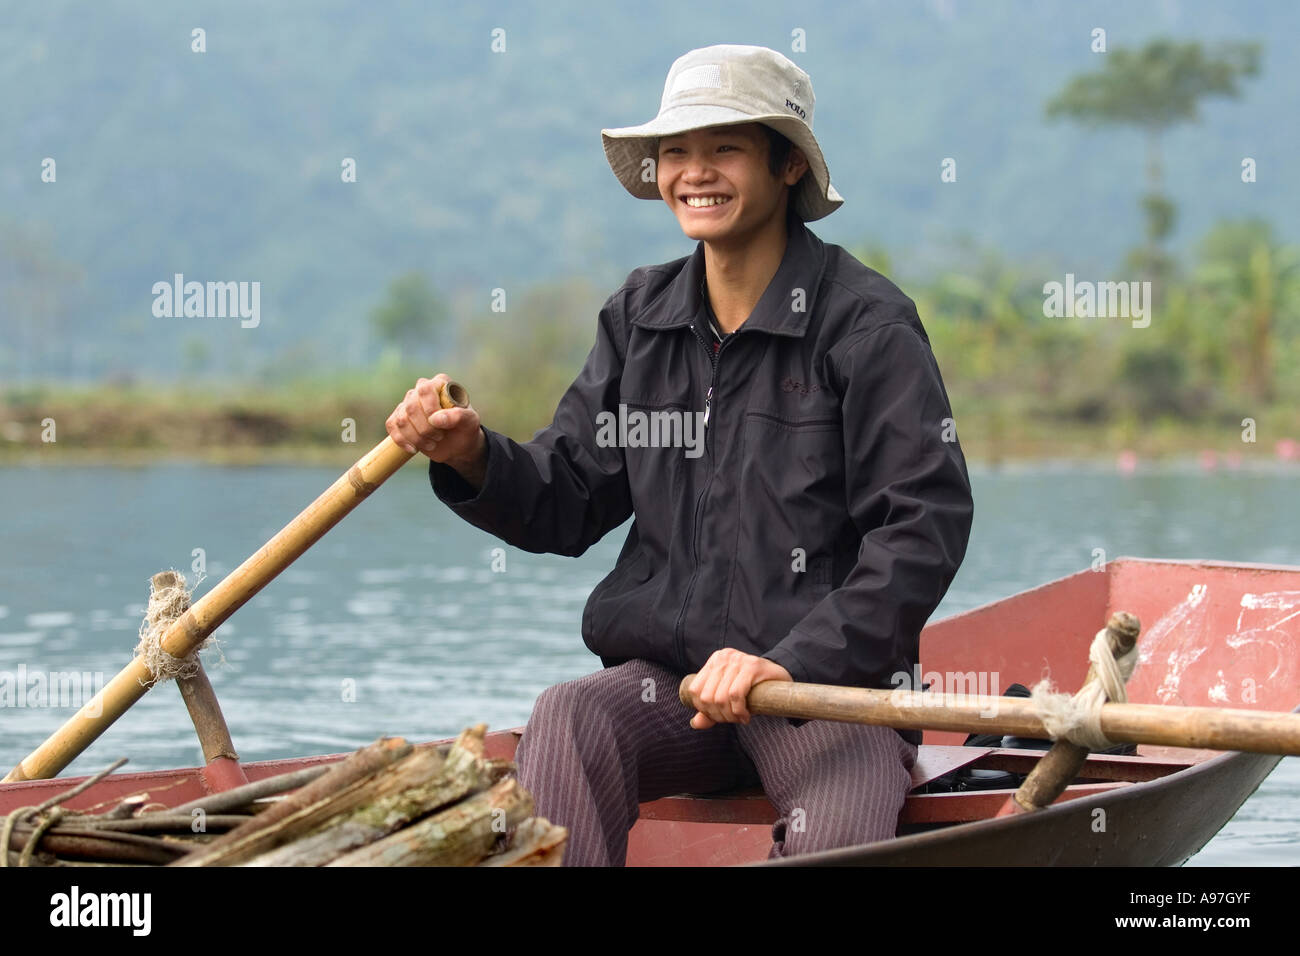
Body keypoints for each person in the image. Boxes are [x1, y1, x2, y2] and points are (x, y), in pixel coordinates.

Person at [385, 44, 974, 865]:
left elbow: (922, 529)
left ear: (788, 167)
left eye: (724, 148)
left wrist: (783, 661)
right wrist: (472, 454)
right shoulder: (641, 317)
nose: (695, 173)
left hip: (826, 694)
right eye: (675, 153)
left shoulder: (864, 326)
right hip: (672, 688)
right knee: (568, 714)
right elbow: (570, 494)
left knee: (835, 831)